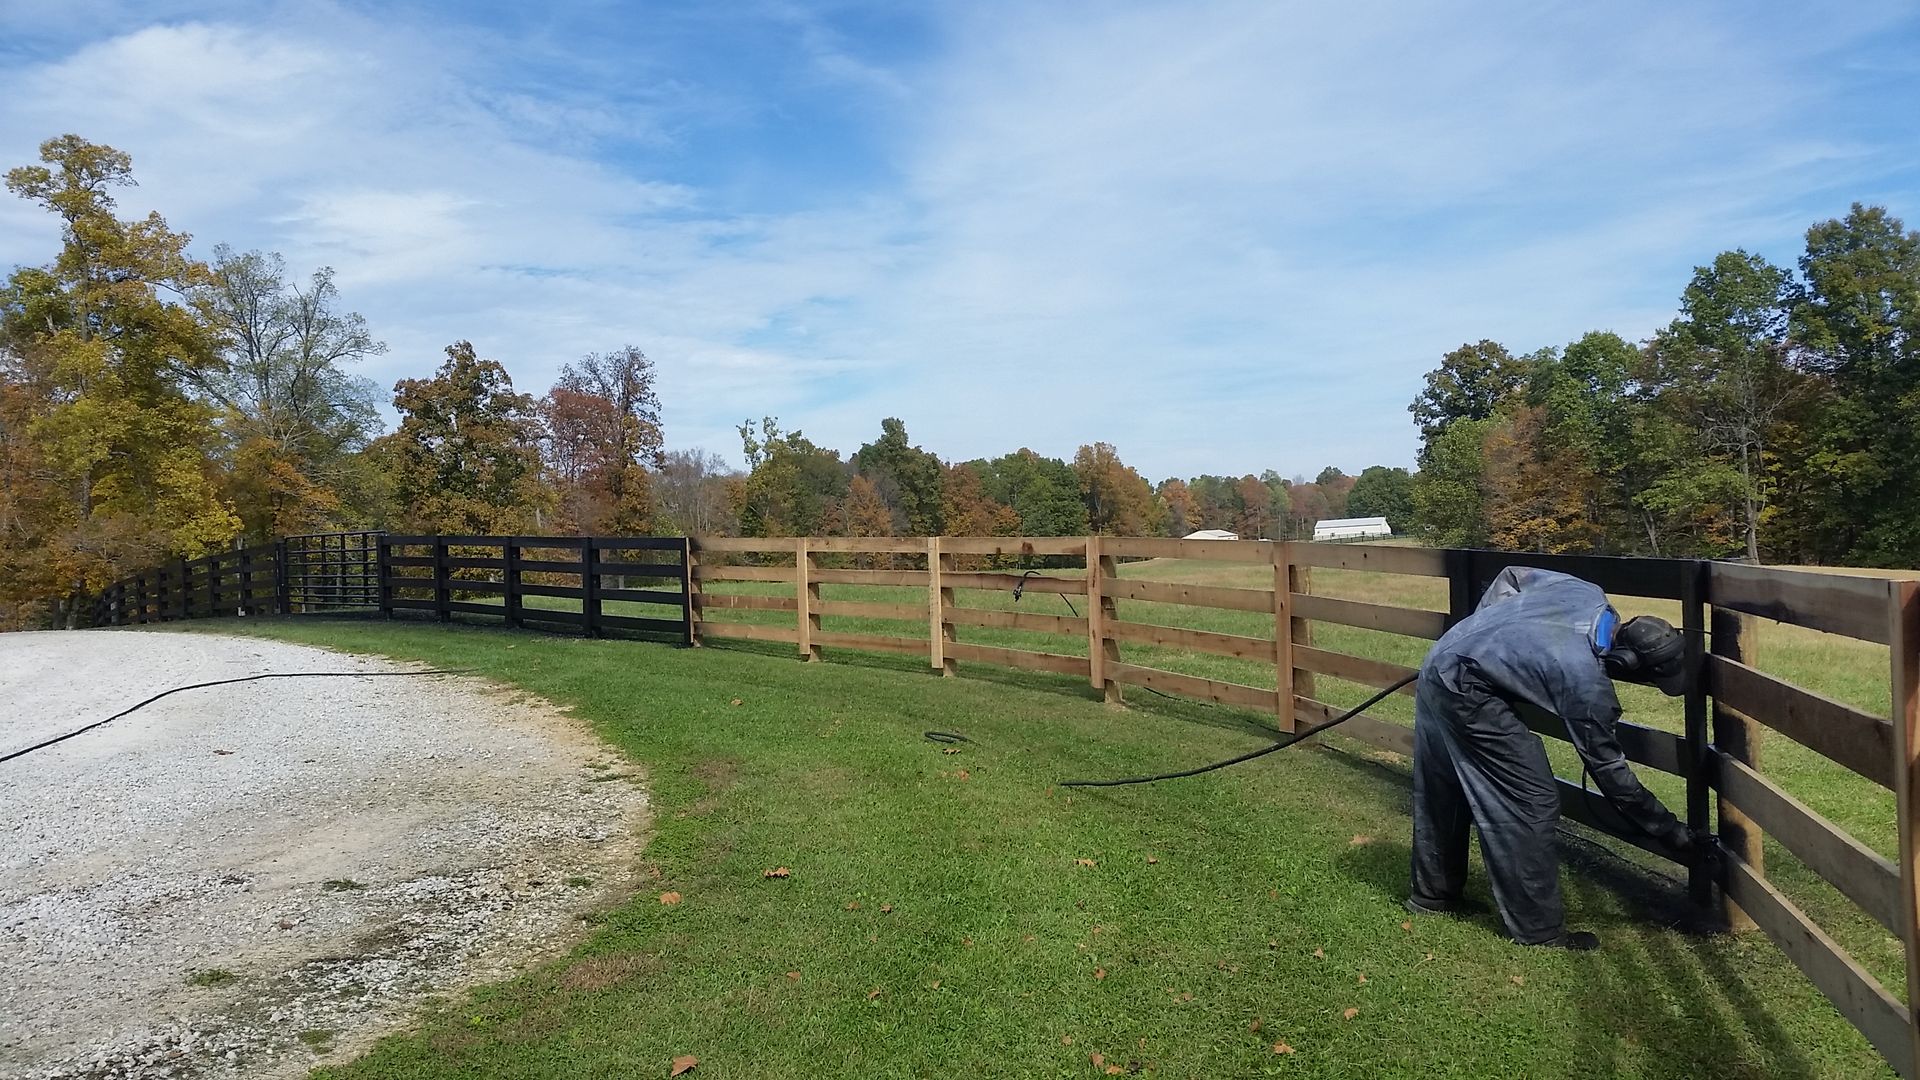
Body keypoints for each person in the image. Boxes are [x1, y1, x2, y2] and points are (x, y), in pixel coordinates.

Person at [1405, 565, 1693, 950]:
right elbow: (1610, 773)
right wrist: (1670, 831)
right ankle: (1537, 930)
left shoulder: (1587, 590)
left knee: (1444, 783)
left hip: (1441, 658)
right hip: (1466, 689)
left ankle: (1432, 895)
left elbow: (1510, 576)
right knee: (1529, 802)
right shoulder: (1584, 681)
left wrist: (1484, 635)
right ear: (1624, 662)